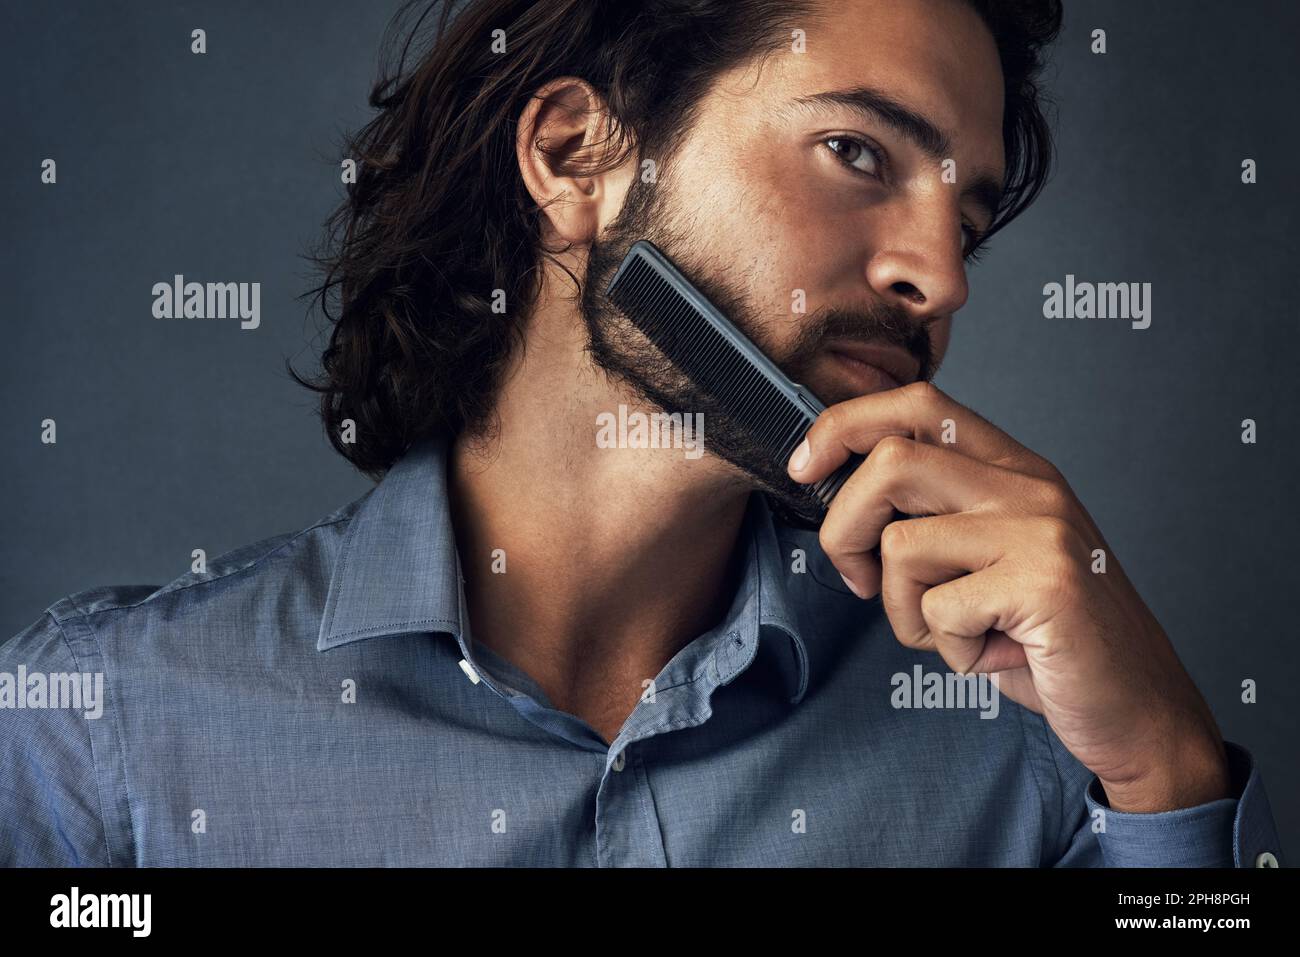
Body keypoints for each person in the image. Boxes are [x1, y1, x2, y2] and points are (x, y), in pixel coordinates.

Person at [0, 0, 1283, 866]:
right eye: (854, 150)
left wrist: (1168, 764)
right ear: (574, 155)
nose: (938, 275)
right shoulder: (105, 730)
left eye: (972, 221)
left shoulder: (1036, 754)